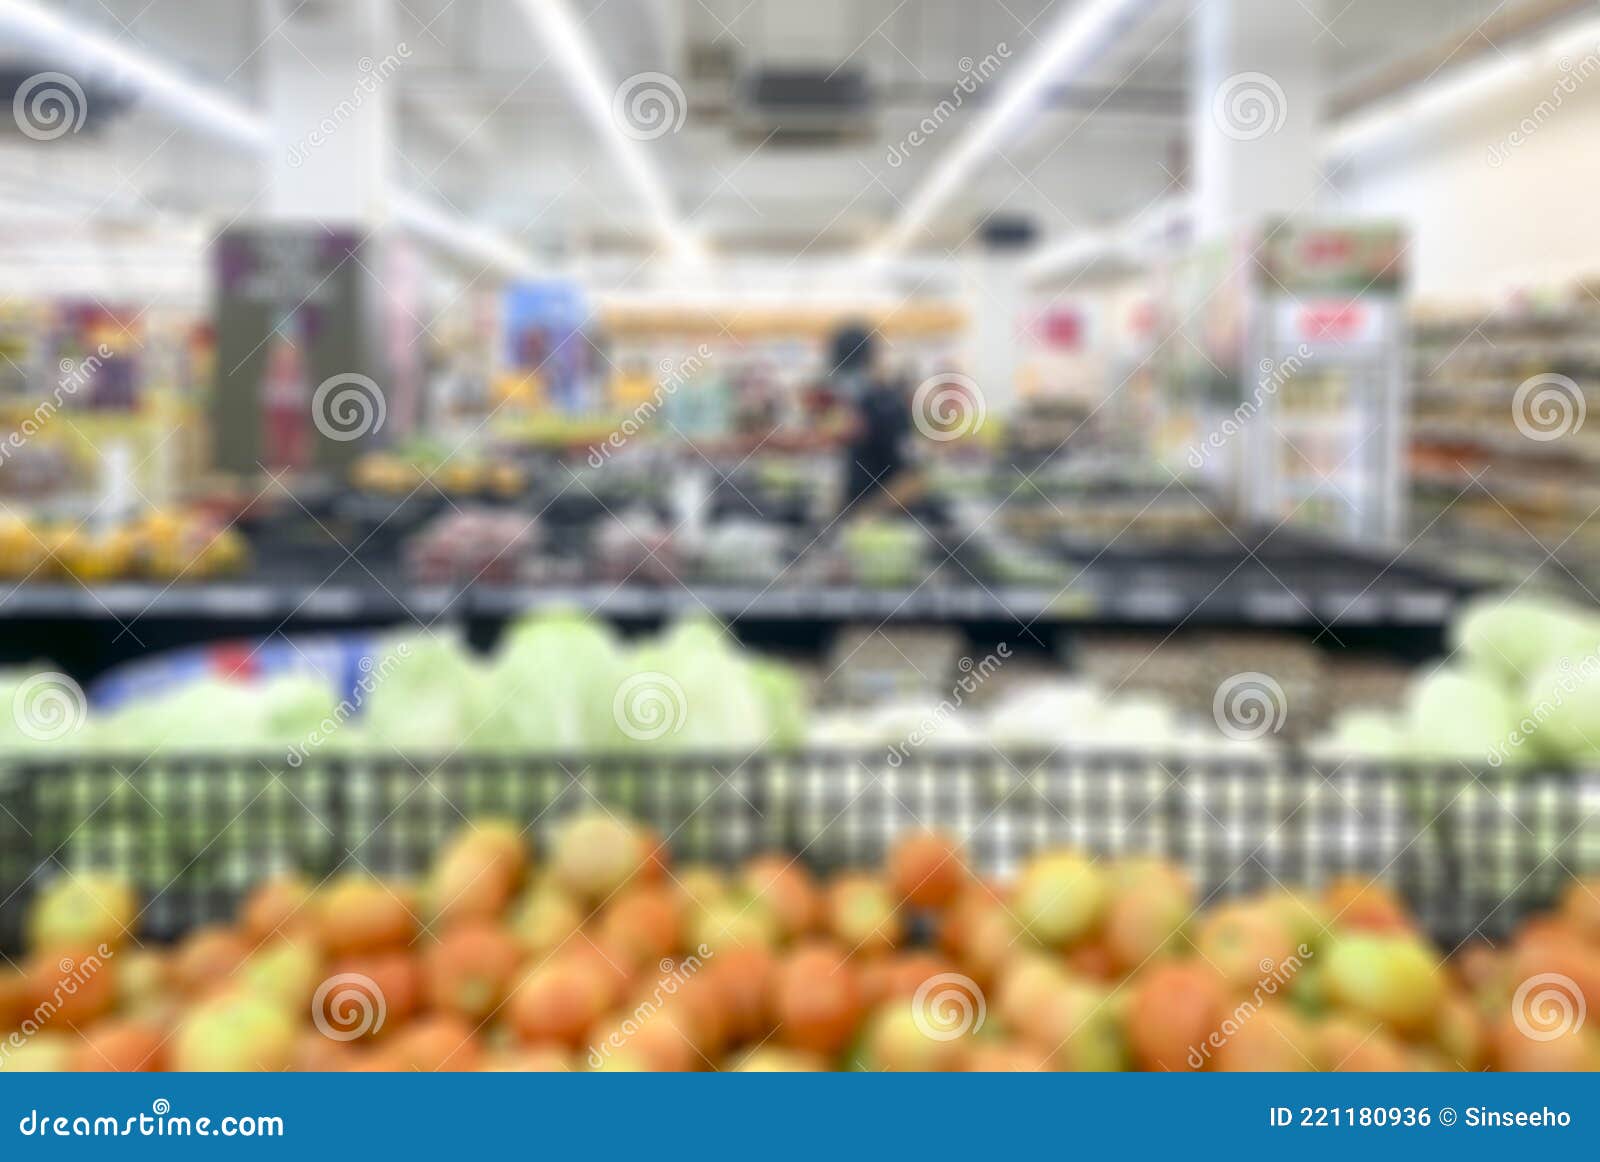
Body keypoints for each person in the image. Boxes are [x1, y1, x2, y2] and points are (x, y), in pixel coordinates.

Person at [824, 324, 921, 516]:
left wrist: (871, 512)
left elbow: (913, 479)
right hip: (856, 518)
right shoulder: (854, 406)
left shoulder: (888, 407)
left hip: (890, 523)